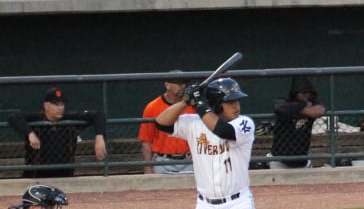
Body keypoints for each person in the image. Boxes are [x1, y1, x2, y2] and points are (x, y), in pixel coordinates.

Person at [153, 78, 257, 209]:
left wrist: (198, 104)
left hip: (238, 202)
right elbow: (160, 123)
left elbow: (223, 131)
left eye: (237, 100)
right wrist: (185, 101)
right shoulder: (194, 123)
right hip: (204, 204)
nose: (236, 105)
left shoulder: (244, 123)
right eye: (230, 102)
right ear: (216, 104)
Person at [9, 87, 107, 179]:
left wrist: (99, 136)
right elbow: (13, 116)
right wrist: (30, 133)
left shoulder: (70, 119)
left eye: (62, 104)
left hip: (65, 175)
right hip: (36, 176)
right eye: (56, 104)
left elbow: (99, 115)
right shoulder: (36, 119)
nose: (60, 108)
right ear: (46, 106)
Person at [137, 75, 193, 174]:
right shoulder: (152, 107)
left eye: (184, 83)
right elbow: (146, 140)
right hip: (163, 161)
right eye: (179, 83)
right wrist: (148, 166)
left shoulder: (192, 106)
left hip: (188, 160)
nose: (183, 86)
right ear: (167, 85)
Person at [267, 76, 326, 169]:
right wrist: (303, 107)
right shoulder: (286, 103)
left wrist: (300, 109)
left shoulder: (313, 103)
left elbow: (320, 111)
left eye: (308, 93)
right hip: (279, 159)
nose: (306, 95)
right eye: (303, 93)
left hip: (302, 160)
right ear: (295, 93)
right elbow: (279, 108)